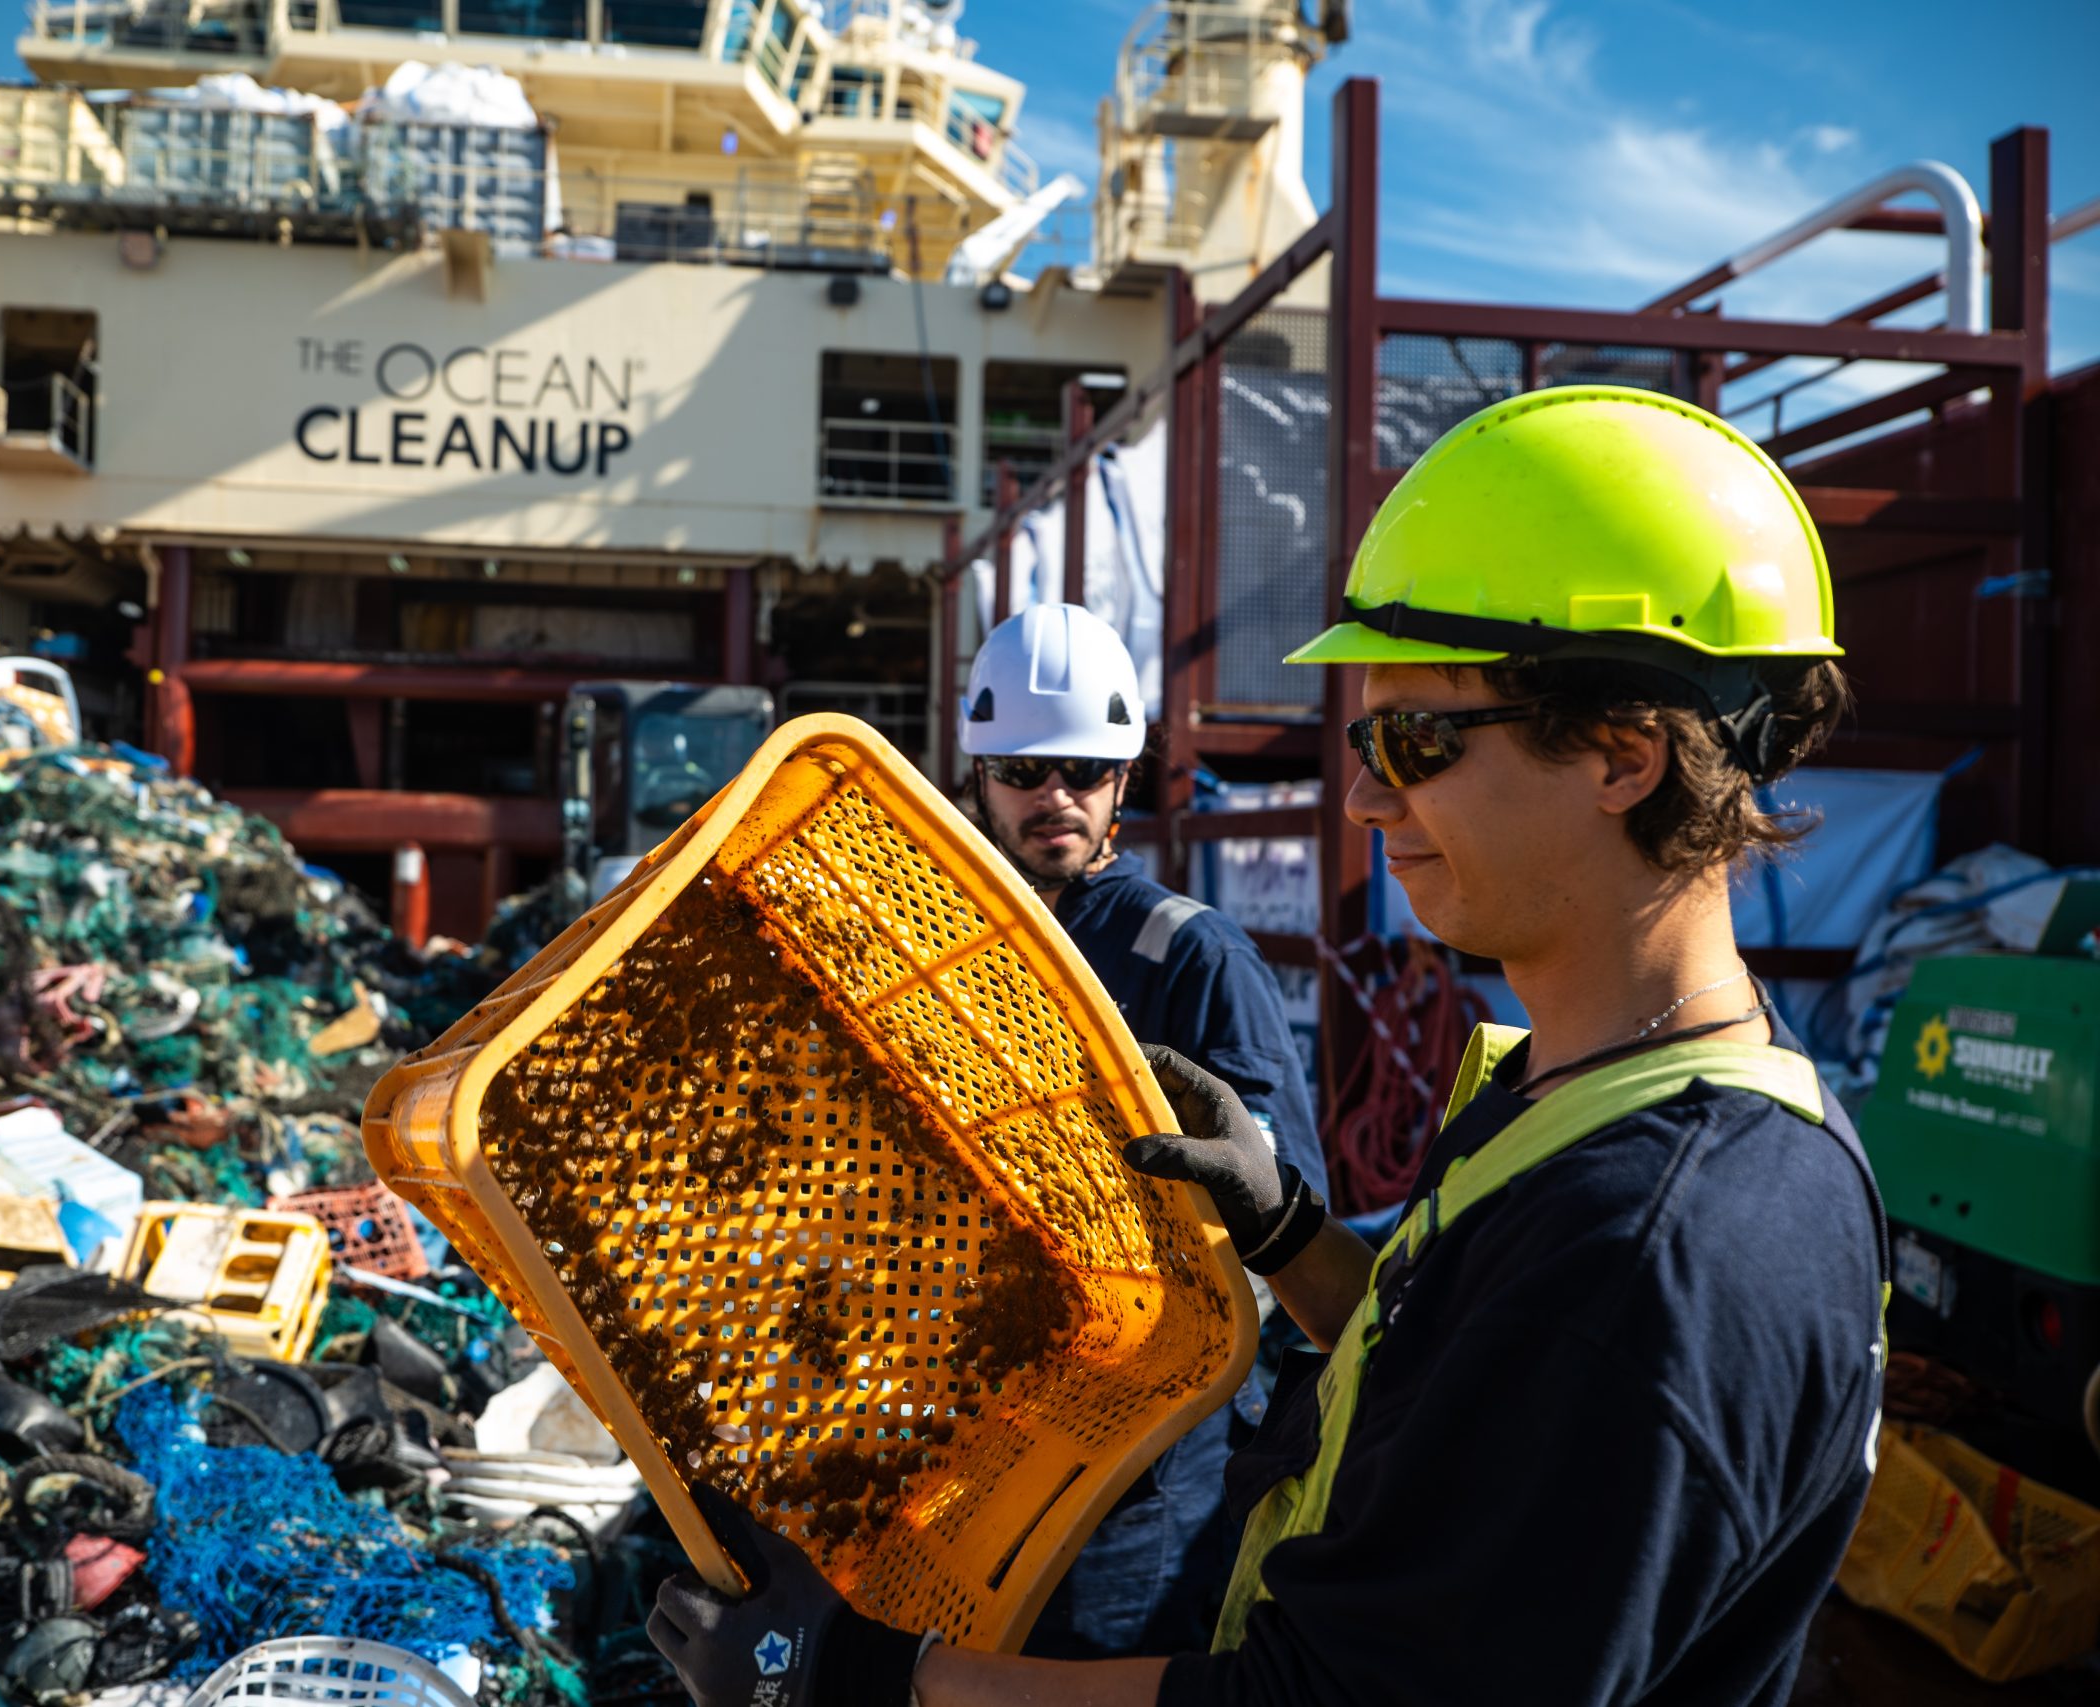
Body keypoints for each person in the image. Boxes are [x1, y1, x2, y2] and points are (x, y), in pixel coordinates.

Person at [646, 385, 1891, 1706]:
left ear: (1623, 756)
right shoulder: (1584, 1098)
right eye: (1365, 740)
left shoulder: (1659, 1242)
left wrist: (864, 1674)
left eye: (1414, 739)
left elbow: (1324, 1699)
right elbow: (1442, 1395)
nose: (1361, 795)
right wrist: (1288, 1228)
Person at [957, 600, 1323, 1657]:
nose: (1055, 796)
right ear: (979, 776)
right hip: (981, 1422)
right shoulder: (954, 943)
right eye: (1023, 770)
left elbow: (1282, 1200)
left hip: (1146, 1462)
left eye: (1083, 769)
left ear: (1124, 779)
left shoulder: (1192, 955)